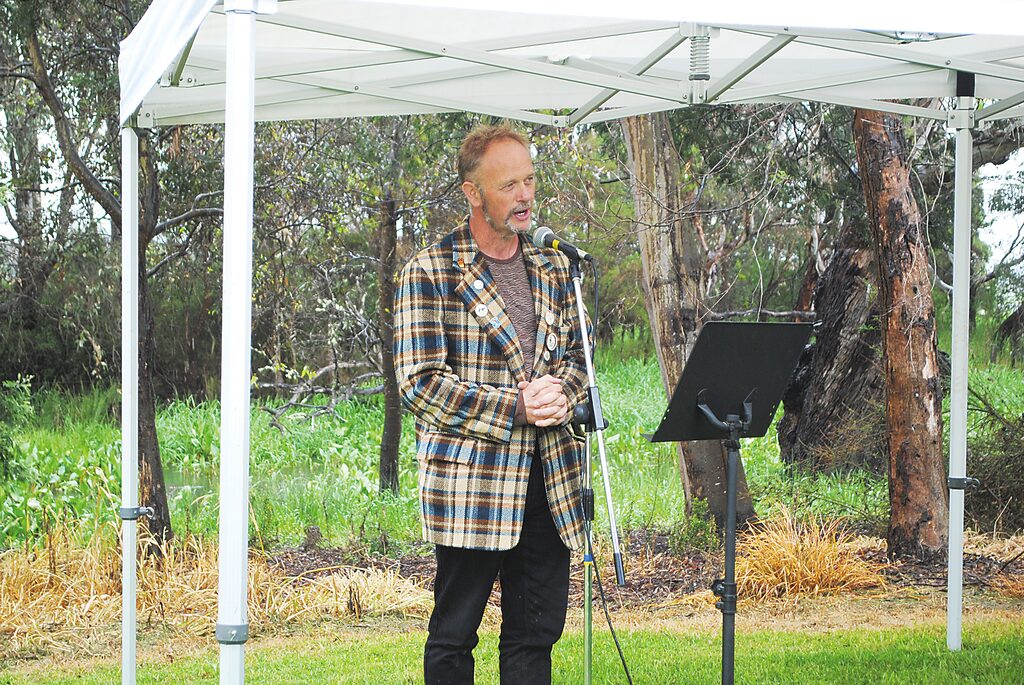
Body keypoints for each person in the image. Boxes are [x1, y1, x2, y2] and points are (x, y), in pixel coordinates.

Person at [393, 123, 589, 685]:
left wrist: (562, 393)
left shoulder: (556, 266)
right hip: (472, 488)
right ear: (473, 193)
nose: (525, 195)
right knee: (455, 637)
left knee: (535, 635)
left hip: (550, 481)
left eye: (529, 181)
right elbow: (420, 383)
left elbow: (580, 357)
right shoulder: (430, 271)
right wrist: (517, 408)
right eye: (509, 186)